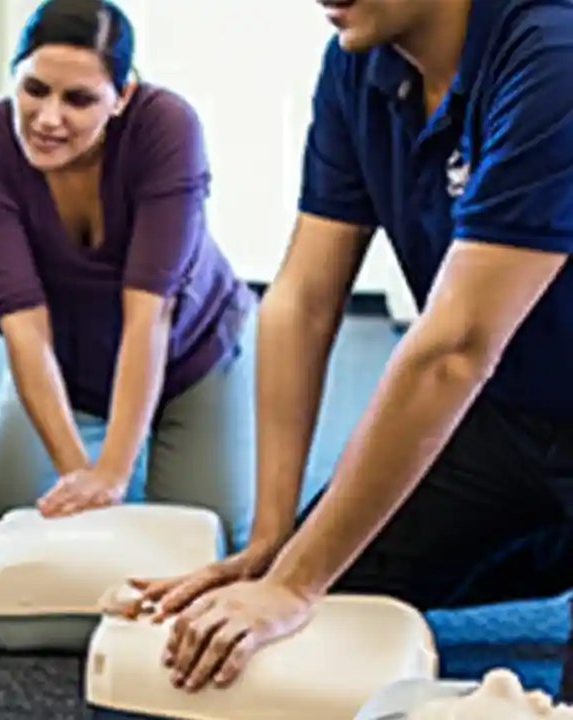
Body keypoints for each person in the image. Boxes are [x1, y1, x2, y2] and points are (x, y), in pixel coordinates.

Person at [126, 0, 573, 693]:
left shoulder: (555, 54)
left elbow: (455, 347)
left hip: (503, 381)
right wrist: (275, 549)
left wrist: (294, 582)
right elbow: (302, 302)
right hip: (506, 416)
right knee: (309, 600)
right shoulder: (359, 64)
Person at [0, 0, 263, 551]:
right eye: (34, 89)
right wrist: (81, 482)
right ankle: (114, 446)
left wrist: (112, 475)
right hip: (69, 364)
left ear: (122, 97)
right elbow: (23, 327)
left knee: (207, 541)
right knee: (3, 514)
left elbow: (150, 315)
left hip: (192, 357)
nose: (48, 118)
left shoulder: (167, 126)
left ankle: (136, 447)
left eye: (78, 99)